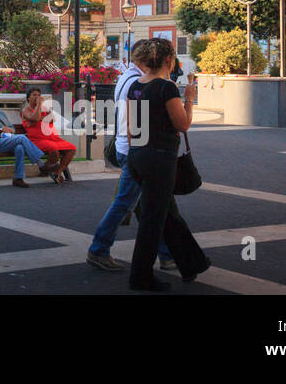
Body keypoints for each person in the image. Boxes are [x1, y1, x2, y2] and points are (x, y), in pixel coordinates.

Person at [124, 36, 210, 292]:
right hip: (161, 158)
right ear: (168, 60)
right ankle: (140, 277)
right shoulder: (167, 88)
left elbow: (133, 129)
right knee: (153, 219)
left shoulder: (135, 86)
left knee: (166, 213)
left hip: (139, 156)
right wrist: (189, 99)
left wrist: (135, 155)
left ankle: (192, 263)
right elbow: (182, 124)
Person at [86, 40, 175, 272]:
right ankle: (99, 249)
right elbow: (139, 123)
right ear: (148, 61)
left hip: (131, 148)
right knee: (128, 203)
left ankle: (166, 254)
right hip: (138, 150)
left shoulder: (127, 78)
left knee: (153, 205)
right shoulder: (137, 82)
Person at [0, 89, 56, 187]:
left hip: (7, 140)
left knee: (20, 147)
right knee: (21, 138)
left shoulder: (1, 114)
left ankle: (18, 178)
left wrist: (8, 130)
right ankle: (41, 164)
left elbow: (12, 129)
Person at [21, 88, 77, 182]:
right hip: (37, 140)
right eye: (34, 95)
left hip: (53, 138)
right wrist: (39, 108)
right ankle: (45, 170)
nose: (37, 97)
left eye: (39, 95)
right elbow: (35, 118)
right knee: (54, 151)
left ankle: (57, 173)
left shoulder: (45, 109)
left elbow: (52, 119)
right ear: (28, 99)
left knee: (71, 149)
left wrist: (39, 118)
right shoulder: (25, 110)